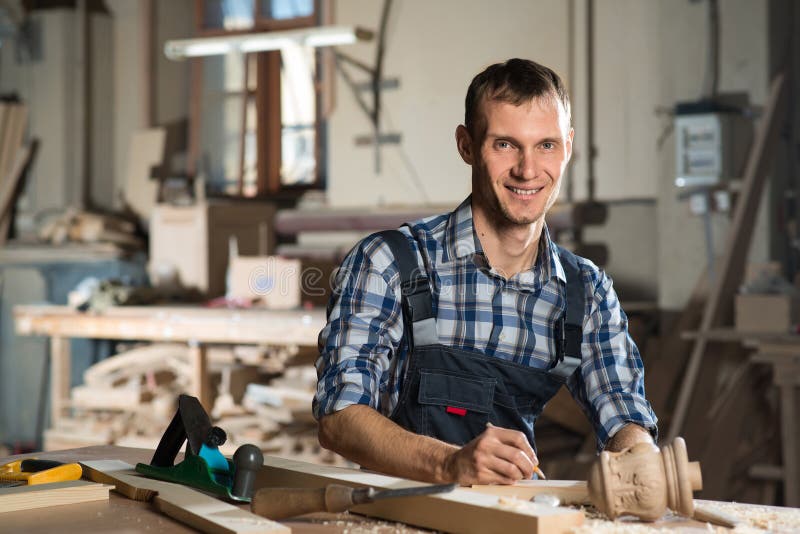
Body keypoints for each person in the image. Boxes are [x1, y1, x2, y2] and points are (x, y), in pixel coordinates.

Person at [313, 58, 657, 486]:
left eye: (546, 145)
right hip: (401, 517)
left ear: (568, 147)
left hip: (512, 517)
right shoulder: (389, 263)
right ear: (467, 145)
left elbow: (623, 409)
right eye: (505, 145)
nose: (528, 170)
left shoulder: (585, 293)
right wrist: (449, 465)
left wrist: (641, 457)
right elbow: (339, 416)